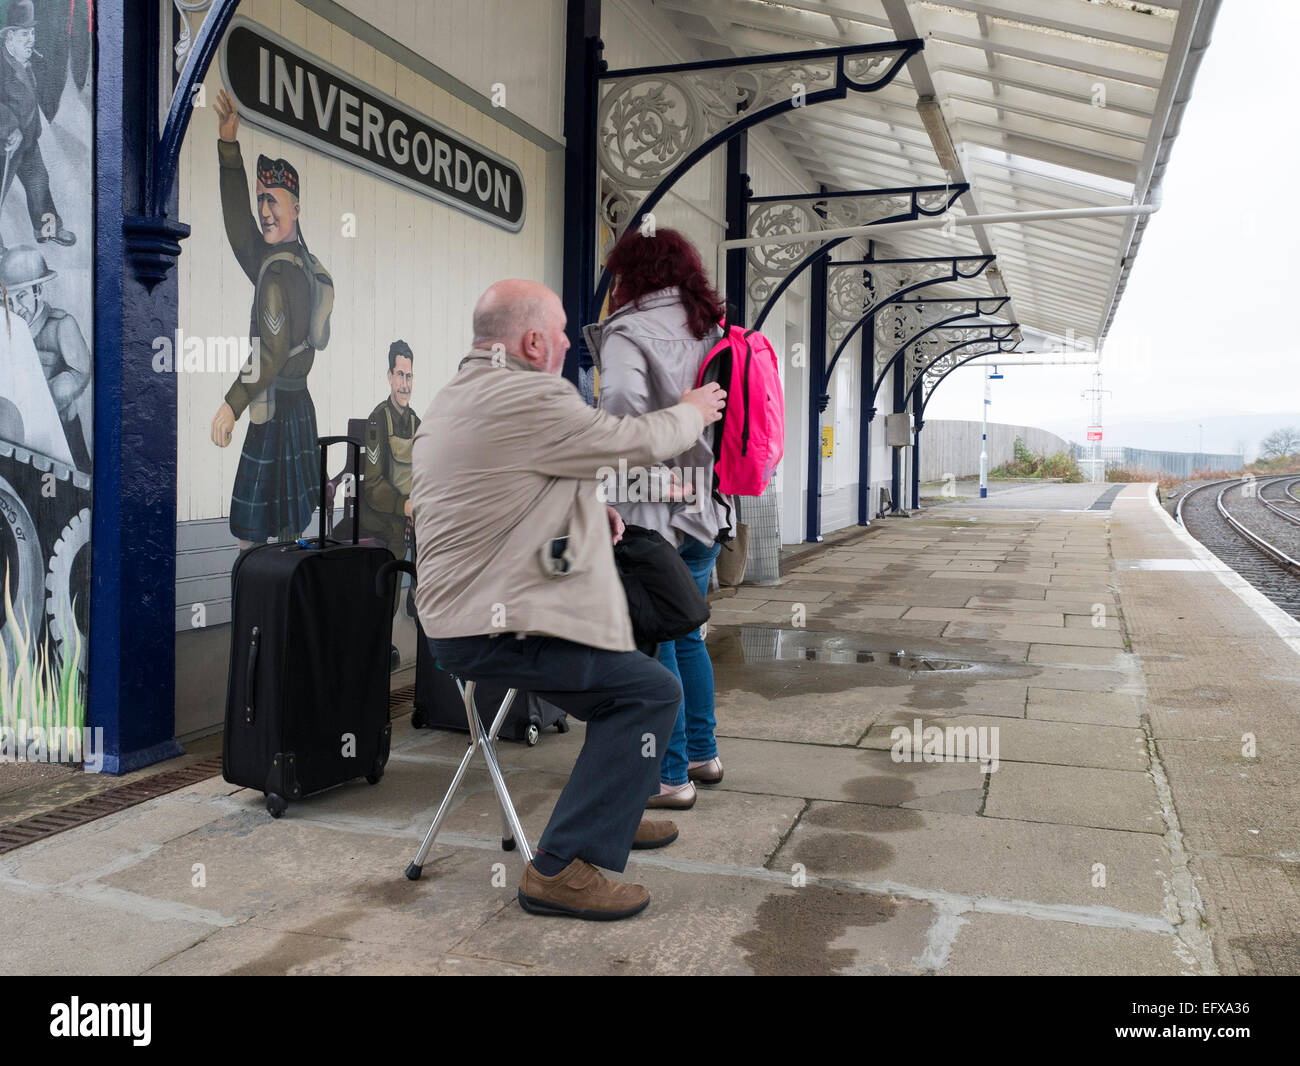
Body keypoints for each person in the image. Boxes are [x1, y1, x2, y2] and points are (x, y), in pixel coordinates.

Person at [411, 278, 726, 921]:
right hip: (490, 625)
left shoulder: (459, 395)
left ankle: (608, 813)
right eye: (559, 333)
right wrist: (693, 410)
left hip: (460, 616)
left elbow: (511, 489)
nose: (566, 345)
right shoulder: (527, 393)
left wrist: (593, 507)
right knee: (649, 689)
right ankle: (561, 868)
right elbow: (627, 441)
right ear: (532, 341)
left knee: (627, 648)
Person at [585, 229, 732, 812]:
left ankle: (670, 777)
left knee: (658, 641)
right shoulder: (711, 329)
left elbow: (619, 417)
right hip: (706, 507)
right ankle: (703, 752)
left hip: (651, 510)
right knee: (688, 631)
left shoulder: (627, 333)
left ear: (630, 274)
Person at [209, 89, 323, 549]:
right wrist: (229, 149)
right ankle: (278, 614)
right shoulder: (289, 257)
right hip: (290, 409)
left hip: (274, 410)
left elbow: (272, 353)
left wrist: (230, 404)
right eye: (262, 201)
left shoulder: (279, 275)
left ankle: (263, 616)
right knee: (286, 534)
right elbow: (240, 229)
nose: (264, 210)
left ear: (295, 207)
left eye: (273, 201)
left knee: (254, 542)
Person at [362, 340, 420, 665]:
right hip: (382, 515)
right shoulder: (376, 421)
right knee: (399, 539)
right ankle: (380, 643)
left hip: (410, 512)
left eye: (410, 376)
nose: (405, 384)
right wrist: (405, 506)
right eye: (400, 374)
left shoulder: (418, 425)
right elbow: (372, 487)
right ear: (389, 376)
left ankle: (421, 602)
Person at [0, 1, 76, 250]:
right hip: (5, 145)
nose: (30, 39)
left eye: (32, 33)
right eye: (24, 34)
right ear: (10, 36)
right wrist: (10, 128)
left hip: (29, 140)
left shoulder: (27, 60)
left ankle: (47, 229)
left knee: (39, 183)